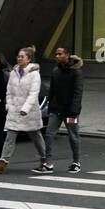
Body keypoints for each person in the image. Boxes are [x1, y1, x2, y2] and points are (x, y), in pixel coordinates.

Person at [0, 48, 45, 174]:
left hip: (29, 112)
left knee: (36, 136)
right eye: (18, 56)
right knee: (10, 137)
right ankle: (2, 163)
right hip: (14, 110)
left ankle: (44, 159)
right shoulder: (13, 72)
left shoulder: (34, 74)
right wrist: (9, 105)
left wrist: (25, 108)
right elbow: (9, 91)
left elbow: (33, 94)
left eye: (22, 57)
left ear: (29, 59)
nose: (19, 58)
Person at [39, 46, 84, 174]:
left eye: (60, 54)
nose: (57, 56)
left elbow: (78, 93)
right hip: (56, 109)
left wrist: (74, 112)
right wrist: (50, 106)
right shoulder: (55, 71)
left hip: (70, 111)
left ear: (67, 55)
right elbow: (52, 90)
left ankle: (76, 162)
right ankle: (48, 163)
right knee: (49, 134)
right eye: (56, 54)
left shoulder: (76, 72)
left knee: (73, 136)